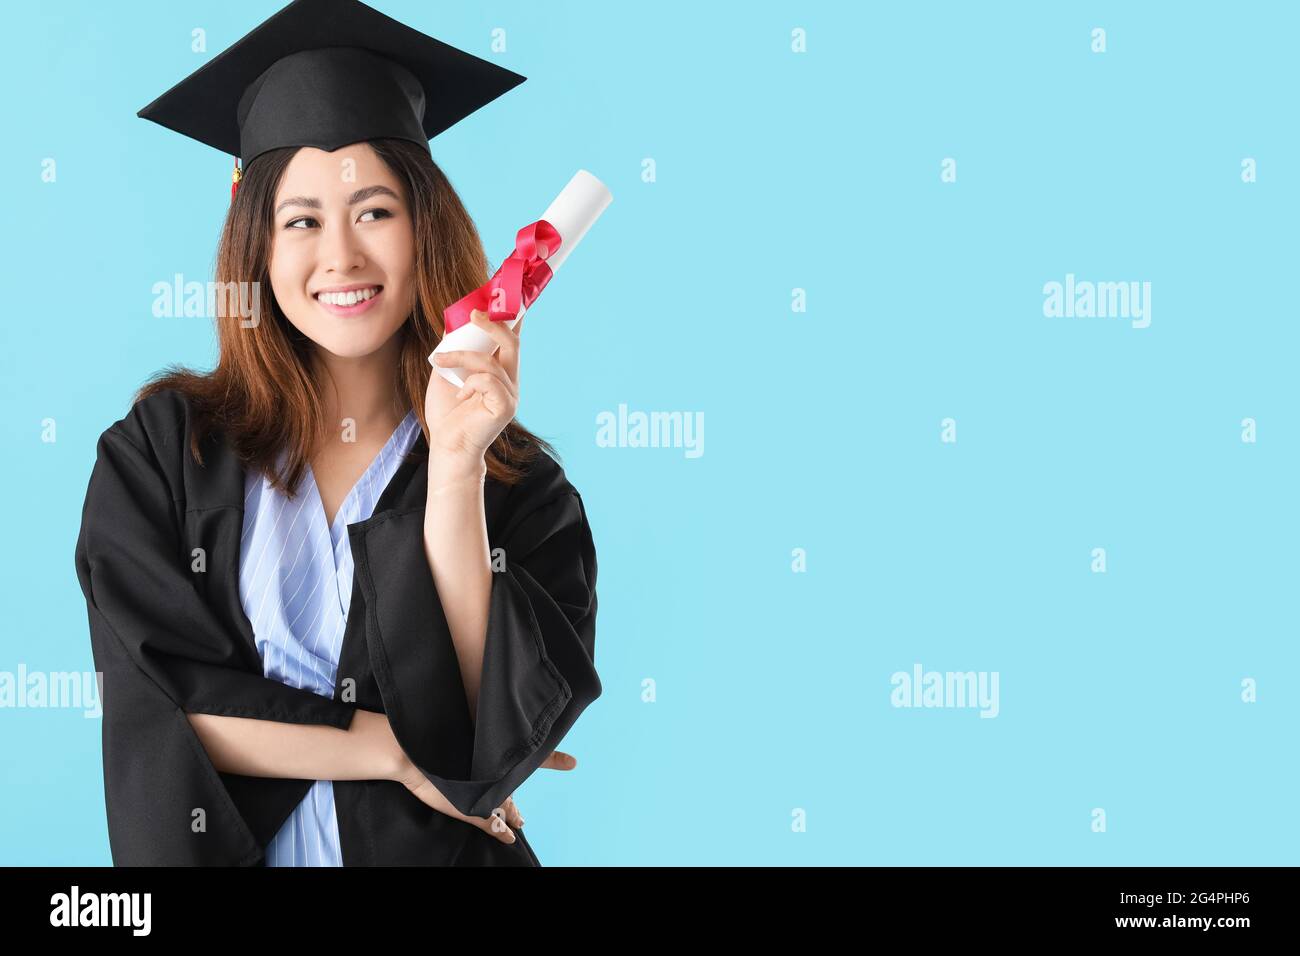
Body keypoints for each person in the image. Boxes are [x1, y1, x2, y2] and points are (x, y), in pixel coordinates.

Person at [72, 0, 601, 866]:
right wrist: (388, 752)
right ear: (258, 245)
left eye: (376, 211)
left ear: (424, 223)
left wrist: (458, 466)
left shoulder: (523, 489)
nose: (343, 259)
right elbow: (158, 700)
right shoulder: (165, 453)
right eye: (302, 219)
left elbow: (479, 728)